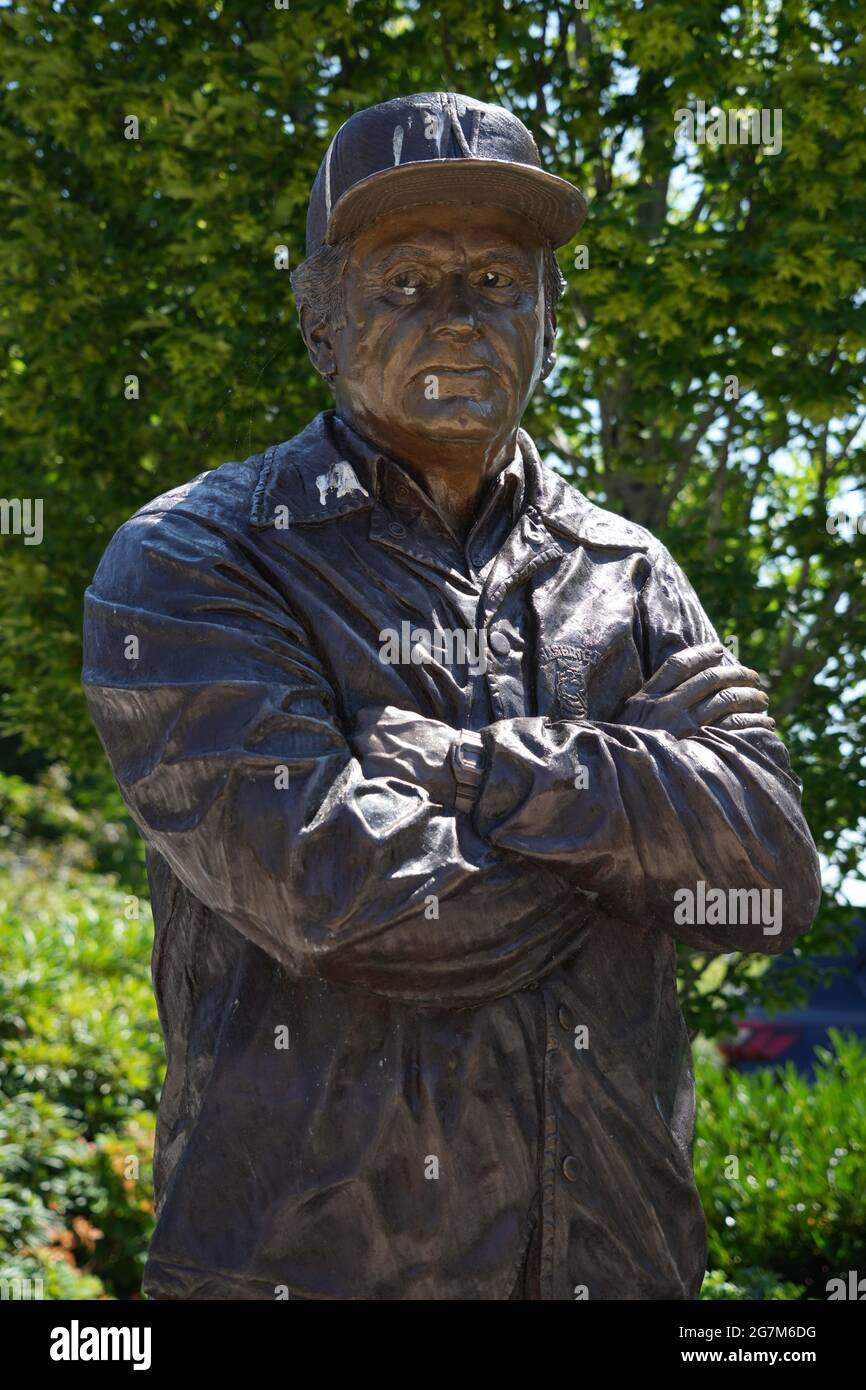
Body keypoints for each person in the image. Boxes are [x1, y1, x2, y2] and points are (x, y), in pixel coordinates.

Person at [82, 92, 821, 1300]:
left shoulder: (627, 574)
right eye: (406, 284)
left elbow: (767, 889)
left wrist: (491, 776)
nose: (458, 322)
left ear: (547, 314)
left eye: (493, 282)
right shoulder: (192, 561)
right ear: (320, 322)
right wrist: (641, 829)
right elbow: (346, 900)